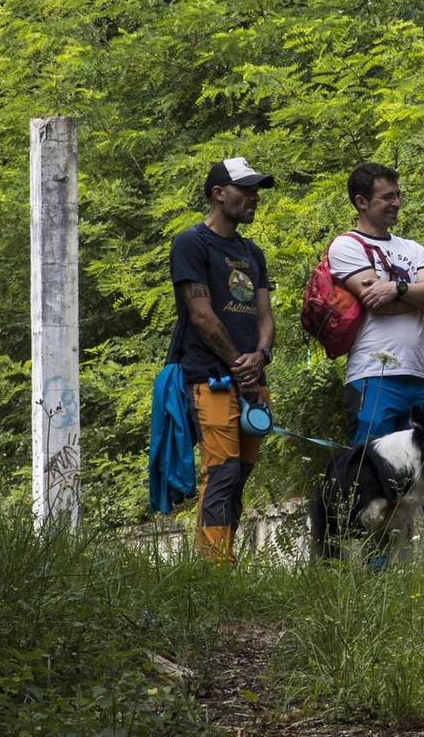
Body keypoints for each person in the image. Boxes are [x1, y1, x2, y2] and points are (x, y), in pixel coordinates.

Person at [329, 161, 424, 559]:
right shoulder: (345, 246)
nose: (396, 203)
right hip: (373, 374)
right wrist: (410, 291)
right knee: (373, 471)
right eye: (387, 197)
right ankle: (375, 563)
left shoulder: (412, 248)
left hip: (416, 374)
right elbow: (375, 304)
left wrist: (395, 288)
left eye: (398, 195)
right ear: (362, 201)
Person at [170, 157, 277, 564]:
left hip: (253, 379)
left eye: (256, 191)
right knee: (222, 471)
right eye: (245, 190)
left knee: (242, 474)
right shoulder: (191, 243)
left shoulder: (253, 253)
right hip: (210, 377)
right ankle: (213, 567)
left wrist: (260, 356)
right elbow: (200, 314)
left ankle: (224, 557)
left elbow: (266, 317)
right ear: (218, 194)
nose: (254, 198)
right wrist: (238, 362)